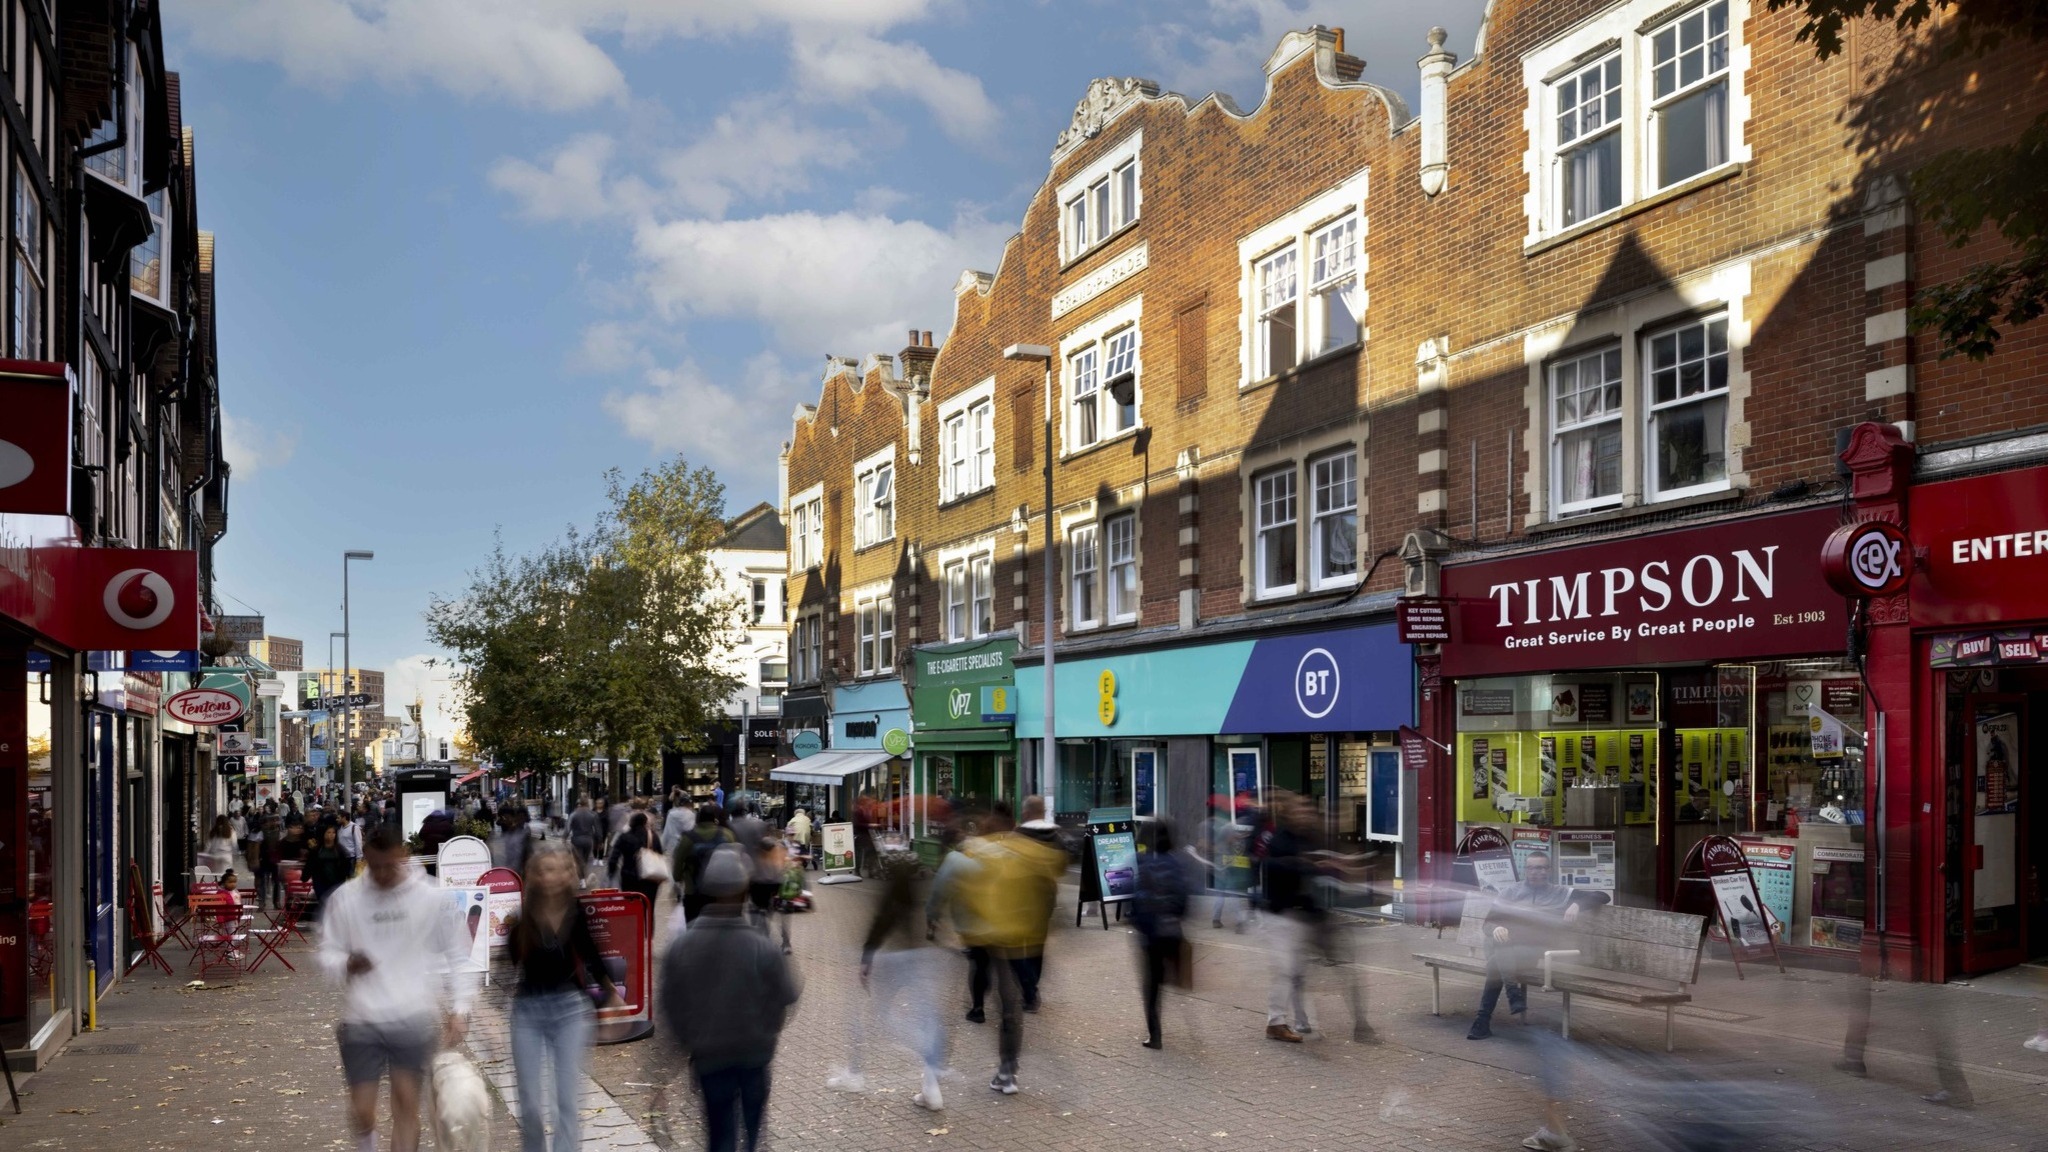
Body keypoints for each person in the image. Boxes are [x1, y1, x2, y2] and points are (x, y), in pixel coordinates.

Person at [317, 827, 474, 1152]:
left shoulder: (430, 897)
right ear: (365, 862)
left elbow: (458, 953)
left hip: (412, 1016)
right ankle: (367, 1143)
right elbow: (326, 952)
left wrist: (460, 1008)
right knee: (362, 1111)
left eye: (391, 865)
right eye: (376, 867)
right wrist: (345, 963)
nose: (384, 874)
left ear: (403, 857)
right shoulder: (346, 899)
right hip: (361, 1018)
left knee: (405, 1104)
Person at [659, 847, 800, 1152]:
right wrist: (767, 1030)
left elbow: (671, 1002)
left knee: (719, 1132)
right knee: (752, 1130)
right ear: (745, 890)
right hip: (754, 1055)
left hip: (709, 1057)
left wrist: (689, 1039)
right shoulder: (761, 945)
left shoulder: (683, 945)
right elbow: (787, 995)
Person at [507, 845, 620, 1152]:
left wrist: (611, 999)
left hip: (570, 1010)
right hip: (528, 1011)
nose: (553, 877)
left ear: (570, 874)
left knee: (566, 1101)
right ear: (533, 876)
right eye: (545, 870)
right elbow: (515, 964)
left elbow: (594, 957)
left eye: (560, 869)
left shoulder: (577, 912)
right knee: (529, 1102)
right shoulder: (522, 918)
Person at [961, 798, 1066, 1095]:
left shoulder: (998, 849)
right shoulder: (1040, 846)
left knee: (1003, 995)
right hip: (1025, 927)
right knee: (1011, 1002)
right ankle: (1008, 1069)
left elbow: (971, 880)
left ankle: (1003, 1065)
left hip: (996, 932)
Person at [837, 850, 947, 1109]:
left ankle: (854, 1073)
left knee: (868, 1016)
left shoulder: (892, 895)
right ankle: (931, 1086)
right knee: (928, 1018)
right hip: (920, 960)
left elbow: (881, 923)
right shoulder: (919, 889)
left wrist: (867, 956)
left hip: (895, 963)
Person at [1261, 792, 1372, 1044]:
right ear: (1289, 813)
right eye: (1300, 809)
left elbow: (1326, 867)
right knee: (1289, 970)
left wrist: (1345, 868)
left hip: (1311, 914)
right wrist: (1308, 864)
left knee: (1306, 969)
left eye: (1308, 809)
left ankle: (1356, 1024)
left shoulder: (1311, 838)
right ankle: (1277, 1022)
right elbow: (1271, 867)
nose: (1305, 813)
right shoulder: (1279, 840)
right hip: (1281, 914)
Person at [1467, 851, 1579, 1041]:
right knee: (1498, 951)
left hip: (1537, 951)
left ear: (1549, 870)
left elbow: (1601, 896)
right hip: (1509, 951)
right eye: (1533, 867)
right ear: (1526, 870)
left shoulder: (1559, 893)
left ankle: (1489, 1015)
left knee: (1495, 962)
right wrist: (1497, 928)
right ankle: (1507, 999)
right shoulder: (1511, 892)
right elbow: (1488, 923)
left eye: (1542, 867)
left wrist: (1577, 904)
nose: (1537, 872)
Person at [1131, 819, 1195, 1050]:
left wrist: (1136, 920)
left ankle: (1155, 1035)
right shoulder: (1177, 862)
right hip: (1171, 929)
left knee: (1152, 985)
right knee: (1169, 974)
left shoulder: (1141, 862)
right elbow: (1184, 897)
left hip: (1150, 934)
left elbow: (1136, 897)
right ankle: (1191, 1027)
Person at [675, 806, 737, 923]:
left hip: (694, 893)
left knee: (693, 931)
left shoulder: (687, 838)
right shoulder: (728, 835)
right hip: (721, 894)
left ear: (697, 819)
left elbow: (676, 872)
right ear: (715, 819)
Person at [605, 811, 663, 907]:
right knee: (648, 907)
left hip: (629, 879)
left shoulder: (624, 837)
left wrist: (611, 873)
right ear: (645, 822)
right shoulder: (653, 836)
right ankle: (648, 922)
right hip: (649, 879)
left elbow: (613, 858)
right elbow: (660, 854)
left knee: (631, 907)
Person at [304, 824, 354, 923]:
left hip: (336, 880)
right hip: (320, 881)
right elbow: (310, 864)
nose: (331, 835)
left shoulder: (340, 850)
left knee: (335, 903)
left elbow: (346, 865)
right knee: (324, 902)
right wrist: (305, 877)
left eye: (333, 833)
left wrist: (349, 877)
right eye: (328, 833)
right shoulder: (317, 850)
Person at [567, 798, 600, 878]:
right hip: (588, 840)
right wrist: (599, 840)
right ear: (587, 804)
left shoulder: (574, 814)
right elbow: (597, 829)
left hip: (576, 840)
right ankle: (583, 873)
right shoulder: (592, 814)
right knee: (584, 860)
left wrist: (564, 838)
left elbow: (568, 828)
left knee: (579, 861)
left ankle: (582, 880)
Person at [661, 790, 695, 855]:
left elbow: (667, 832)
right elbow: (691, 830)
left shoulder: (672, 814)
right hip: (687, 845)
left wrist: (662, 847)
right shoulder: (692, 815)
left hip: (673, 845)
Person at [785, 806, 813, 870]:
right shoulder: (807, 819)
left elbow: (788, 826)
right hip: (806, 837)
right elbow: (811, 827)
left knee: (795, 846)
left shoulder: (793, 819)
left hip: (796, 836)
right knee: (804, 847)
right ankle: (803, 860)